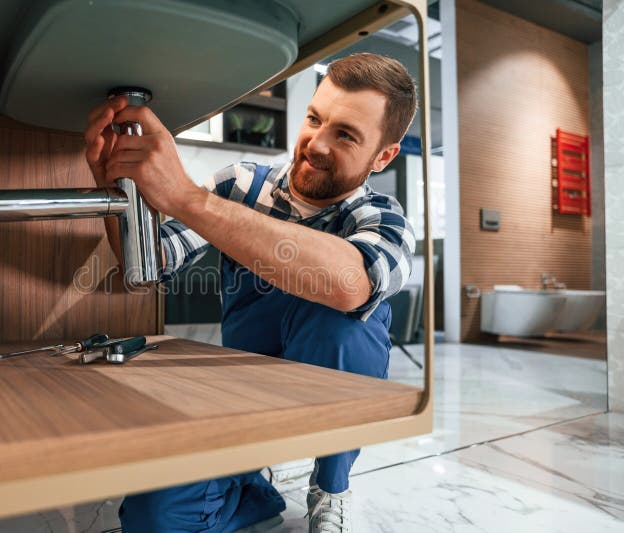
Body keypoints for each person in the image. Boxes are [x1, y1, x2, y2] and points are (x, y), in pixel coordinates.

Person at [85, 52, 417, 533]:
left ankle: (331, 483)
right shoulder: (240, 185)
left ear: (383, 155)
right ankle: (252, 488)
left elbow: (351, 285)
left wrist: (186, 197)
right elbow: (150, 264)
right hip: (242, 392)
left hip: (329, 392)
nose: (316, 144)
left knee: (346, 322)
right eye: (314, 119)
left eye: (345, 134)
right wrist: (116, 188)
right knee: (155, 519)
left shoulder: (383, 219)